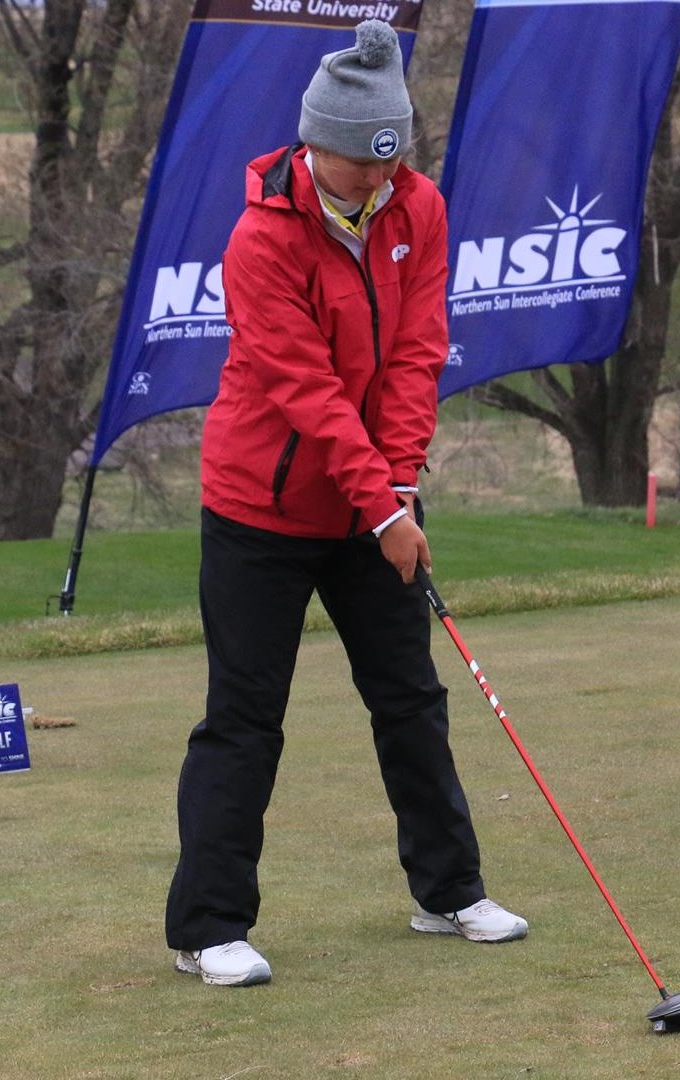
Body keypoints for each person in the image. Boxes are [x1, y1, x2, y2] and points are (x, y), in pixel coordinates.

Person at [166, 19, 527, 988]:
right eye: (360, 162)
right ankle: (208, 927)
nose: (377, 180)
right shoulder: (260, 240)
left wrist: (399, 484)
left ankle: (448, 892)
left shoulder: (419, 210)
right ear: (312, 141)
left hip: (371, 504)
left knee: (409, 697)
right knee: (245, 717)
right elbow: (307, 392)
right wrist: (383, 504)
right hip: (260, 510)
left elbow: (416, 355)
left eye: (389, 160)